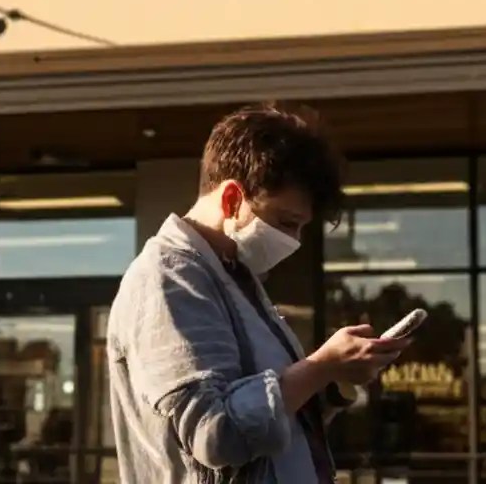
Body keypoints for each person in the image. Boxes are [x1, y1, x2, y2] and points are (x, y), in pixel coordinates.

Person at [107, 102, 412, 483]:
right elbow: (215, 434)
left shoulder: (235, 278)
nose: (293, 241)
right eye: (286, 222)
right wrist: (320, 366)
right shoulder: (169, 278)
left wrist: (336, 380)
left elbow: (277, 419)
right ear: (232, 199)